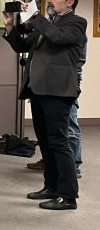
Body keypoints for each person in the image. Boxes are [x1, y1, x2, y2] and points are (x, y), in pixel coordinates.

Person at [3, 0, 86, 210]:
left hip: (58, 91)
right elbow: (22, 45)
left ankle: (68, 196)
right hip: (39, 90)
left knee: (60, 143)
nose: (50, 0)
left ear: (70, 2)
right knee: (47, 143)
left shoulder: (76, 23)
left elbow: (58, 38)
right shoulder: (47, 25)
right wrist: (10, 26)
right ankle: (51, 187)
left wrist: (35, 16)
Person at [26, 42, 85, 178]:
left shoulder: (72, 29)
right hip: (47, 84)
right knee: (49, 128)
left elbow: (77, 60)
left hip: (64, 85)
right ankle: (50, 162)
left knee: (69, 127)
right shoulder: (49, 30)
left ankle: (73, 165)